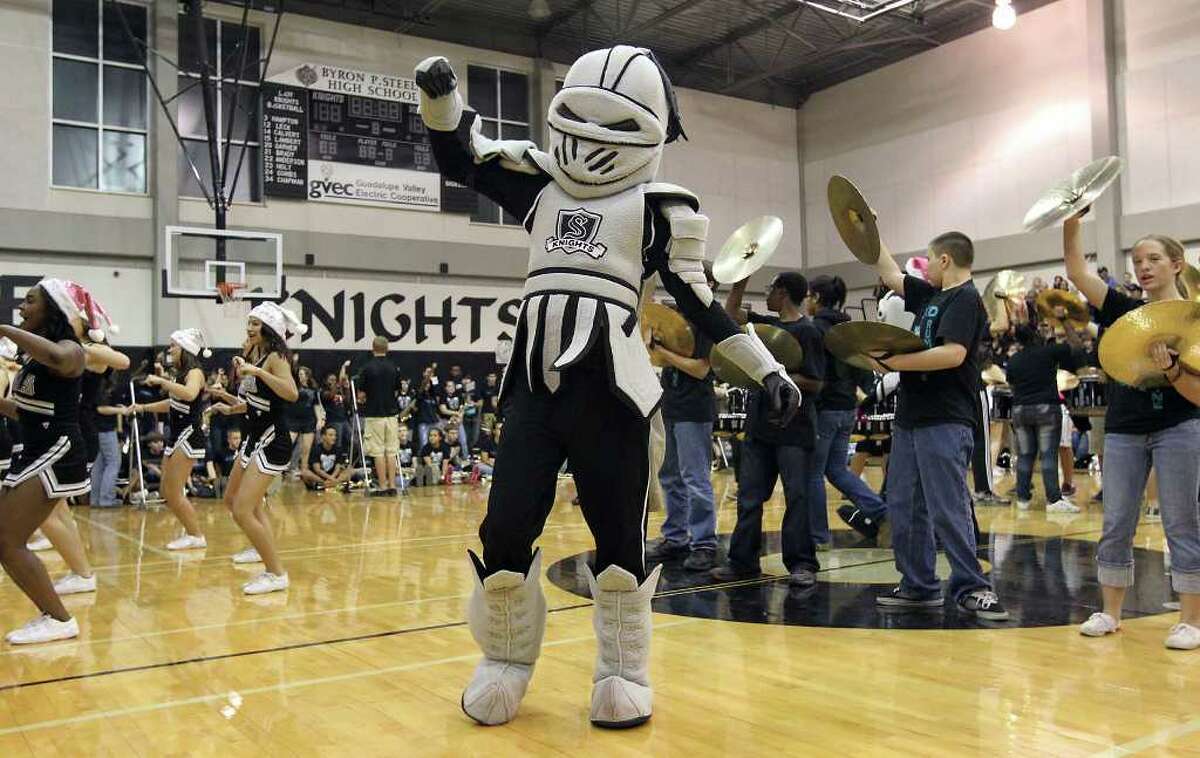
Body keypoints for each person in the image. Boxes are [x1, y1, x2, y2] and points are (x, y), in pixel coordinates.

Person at [416, 46, 797, 728]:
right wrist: (440, 103)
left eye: (615, 126)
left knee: (620, 535)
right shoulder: (539, 184)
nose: (593, 139)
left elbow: (702, 305)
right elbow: (461, 160)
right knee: (504, 527)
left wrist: (766, 367)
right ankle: (503, 659)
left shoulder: (658, 209)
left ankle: (623, 669)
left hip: (616, 392)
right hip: (535, 386)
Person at [1063, 214, 1200, 649]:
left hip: (1179, 426)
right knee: (1116, 519)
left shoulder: (1194, 319)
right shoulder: (1123, 309)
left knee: (1181, 521)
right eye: (1138, 260)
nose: (1143, 267)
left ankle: (1190, 620)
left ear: (1176, 264)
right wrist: (1071, 220)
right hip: (1123, 429)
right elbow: (1077, 272)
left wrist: (1174, 369)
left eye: (1153, 259)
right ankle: (1111, 612)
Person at [860, 232, 1009, 621]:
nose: (923, 268)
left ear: (945, 260)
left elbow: (952, 355)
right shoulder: (931, 296)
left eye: (928, 260)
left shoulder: (965, 299)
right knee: (903, 504)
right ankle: (918, 585)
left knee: (947, 505)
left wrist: (892, 363)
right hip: (910, 416)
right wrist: (864, 227)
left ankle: (973, 587)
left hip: (945, 416)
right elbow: (890, 273)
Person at [0, 279, 115, 644]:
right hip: (36, 448)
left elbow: (63, 359)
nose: (22, 308)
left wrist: (4, 328)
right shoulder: (35, 358)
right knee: (6, 539)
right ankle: (55, 613)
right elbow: (26, 412)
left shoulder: (73, 350)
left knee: (7, 540)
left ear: (54, 309)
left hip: (58, 451)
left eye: (29, 302)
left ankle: (59, 618)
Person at [711, 271, 825, 585]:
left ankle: (802, 564)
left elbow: (815, 381)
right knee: (749, 496)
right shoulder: (764, 328)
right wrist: (740, 278)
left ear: (783, 293)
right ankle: (743, 562)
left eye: (771, 289)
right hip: (760, 426)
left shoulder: (808, 332)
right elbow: (730, 314)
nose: (768, 295)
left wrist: (775, 375)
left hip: (795, 428)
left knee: (796, 497)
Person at [37, 334, 129, 596]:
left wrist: (86, 345)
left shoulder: (90, 356)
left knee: (48, 507)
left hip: (79, 434)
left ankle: (82, 572)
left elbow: (122, 360)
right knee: (59, 510)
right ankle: (80, 571)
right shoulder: (65, 351)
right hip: (60, 434)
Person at [224, 303, 303, 594]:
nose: (249, 328)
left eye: (256, 324)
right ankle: (260, 549)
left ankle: (276, 573)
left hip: (273, 439)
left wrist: (258, 371)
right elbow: (259, 402)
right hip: (253, 436)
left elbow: (291, 393)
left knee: (243, 510)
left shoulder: (276, 357)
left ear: (269, 328)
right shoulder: (255, 354)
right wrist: (229, 404)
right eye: (249, 323)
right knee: (232, 500)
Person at [644, 268, 719, 572]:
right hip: (672, 405)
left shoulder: (708, 321)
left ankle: (704, 543)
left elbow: (701, 369)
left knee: (695, 479)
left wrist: (662, 351)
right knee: (669, 476)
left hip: (694, 409)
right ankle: (675, 537)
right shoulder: (677, 318)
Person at [805, 274, 882, 548]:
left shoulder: (814, 328)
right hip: (847, 408)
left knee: (813, 473)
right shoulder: (851, 329)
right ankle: (881, 512)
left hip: (824, 408)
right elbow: (865, 374)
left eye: (807, 296)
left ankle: (818, 536)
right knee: (837, 470)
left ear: (815, 297)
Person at [127, 329, 211, 550]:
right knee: (166, 491)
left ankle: (196, 535)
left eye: (174, 345)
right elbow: (173, 403)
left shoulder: (195, 372)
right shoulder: (179, 374)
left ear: (185, 348)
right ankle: (192, 533)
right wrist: (143, 407)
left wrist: (163, 381)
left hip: (189, 434)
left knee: (174, 492)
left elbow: (190, 394)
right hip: (175, 434)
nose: (170, 349)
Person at [1005, 322, 1081, 512]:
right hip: (1046, 407)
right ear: (1036, 334)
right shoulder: (1049, 352)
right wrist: (1064, 322)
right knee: (1048, 455)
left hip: (1020, 409)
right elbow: (1076, 347)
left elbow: (1012, 385)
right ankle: (1053, 500)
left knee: (1025, 455)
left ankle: (1023, 498)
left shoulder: (1014, 359)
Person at [358, 336, 401, 495]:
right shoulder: (393, 367)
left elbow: (361, 394)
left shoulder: (367, 368)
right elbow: (397, 390)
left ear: (372, 348)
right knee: (391, 450)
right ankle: (392, 486)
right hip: (391, 413)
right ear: (387, 348)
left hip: (374, 413)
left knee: (377, 450)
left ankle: (382, 486)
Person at [288, 366, 320, 478]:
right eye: (299, 374)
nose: (300, 376)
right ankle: (283, 467)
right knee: (288, 443)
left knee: (306, 448)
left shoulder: (313, 389)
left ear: (307, 376)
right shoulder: (294, 386)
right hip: (294, 419)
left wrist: (319, 420)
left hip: (309, 420)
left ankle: (304, 470)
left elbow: (316, 405)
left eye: (302, 374)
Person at [303, 425, 352, 491]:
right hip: (320, 477)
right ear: (323, 436)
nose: (334, 437)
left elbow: (338, 467)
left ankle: (327, 484)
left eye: (335, 435)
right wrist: (330, 479)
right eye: (331, 435)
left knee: (350, 470)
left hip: (333, 476)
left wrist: (333, 477)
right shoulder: (316, 449)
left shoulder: (338, 449)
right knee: (305, 473)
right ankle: (328, 483)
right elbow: (317, 470)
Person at [205, 427, 243, 494]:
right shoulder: (221, 453)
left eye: (239, 438)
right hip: (226, 482)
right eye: (235, 438)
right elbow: (213, 464)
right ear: (229, 440)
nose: (238, 441)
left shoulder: (243, 452)